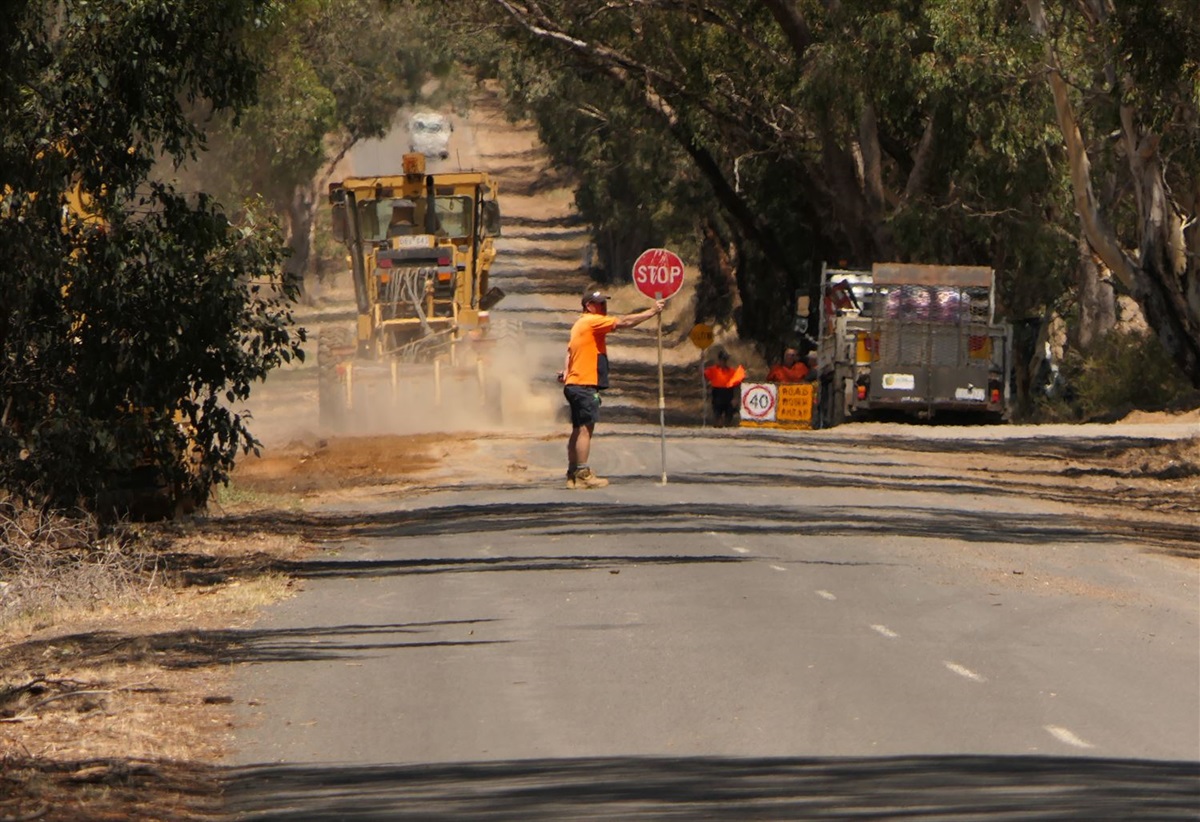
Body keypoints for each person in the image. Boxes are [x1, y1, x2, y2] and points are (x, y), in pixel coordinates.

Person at [558, 288, 665, 489]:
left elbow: (570, 352)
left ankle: (572, 473)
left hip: (574, 384)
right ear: (589, 306)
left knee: (577, 429)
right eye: (600, 304)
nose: (604, 307)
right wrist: (651, 312)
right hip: (584, 384)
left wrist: (566, 372)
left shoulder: (579, 324)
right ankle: (582, 474)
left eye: (604, 303)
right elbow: (624, 322)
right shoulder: (592, 321)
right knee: (585, 430)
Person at [703, 348, 746, 427]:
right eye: (722, 360)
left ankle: (726, 425)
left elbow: (737, 383)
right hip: (717, 393)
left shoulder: (731, 371)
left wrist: (736, 398)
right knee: (717, 416)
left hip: (728, 393)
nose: (724, 362)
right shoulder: (713, 370)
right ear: (719, 360)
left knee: (729, 417)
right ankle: (718, 424)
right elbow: (704, 374)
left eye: (725, 360)